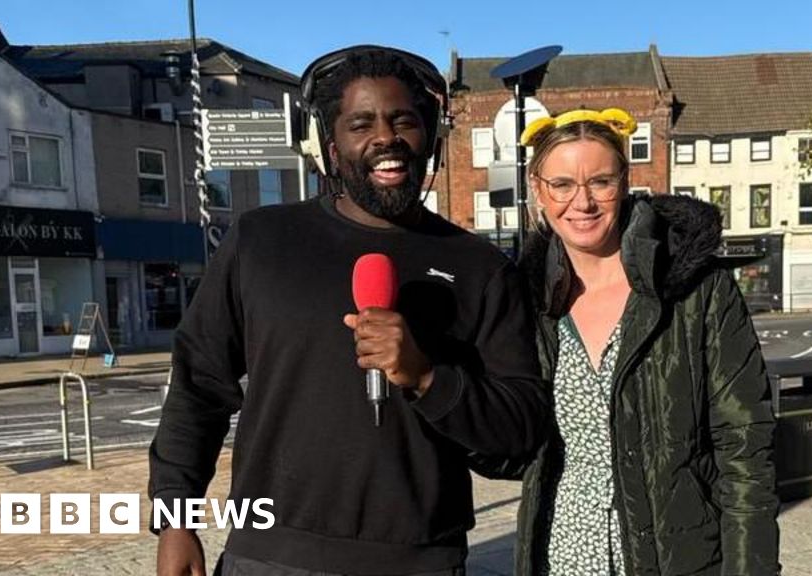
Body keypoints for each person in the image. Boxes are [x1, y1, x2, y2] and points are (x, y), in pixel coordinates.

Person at [148, 46, 550, 576]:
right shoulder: (261, 240)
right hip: (270, 556)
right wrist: (175, 518)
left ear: (428, 135)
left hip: (419, 561)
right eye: (361, 123)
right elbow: (199, 385)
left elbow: (518, 435)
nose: (385, 137)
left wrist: (427, 378)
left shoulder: (480, 267)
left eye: (403, 119)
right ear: (330, 145)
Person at [511, 108, 780, 575]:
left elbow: (746, 452)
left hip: (677, 559)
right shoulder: (526, 302)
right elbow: (504, 448)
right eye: (562, 185)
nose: (583, 202)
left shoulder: (697, 290)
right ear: (538, 188)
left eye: (600, 181)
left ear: (625, 179)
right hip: (564, 559)